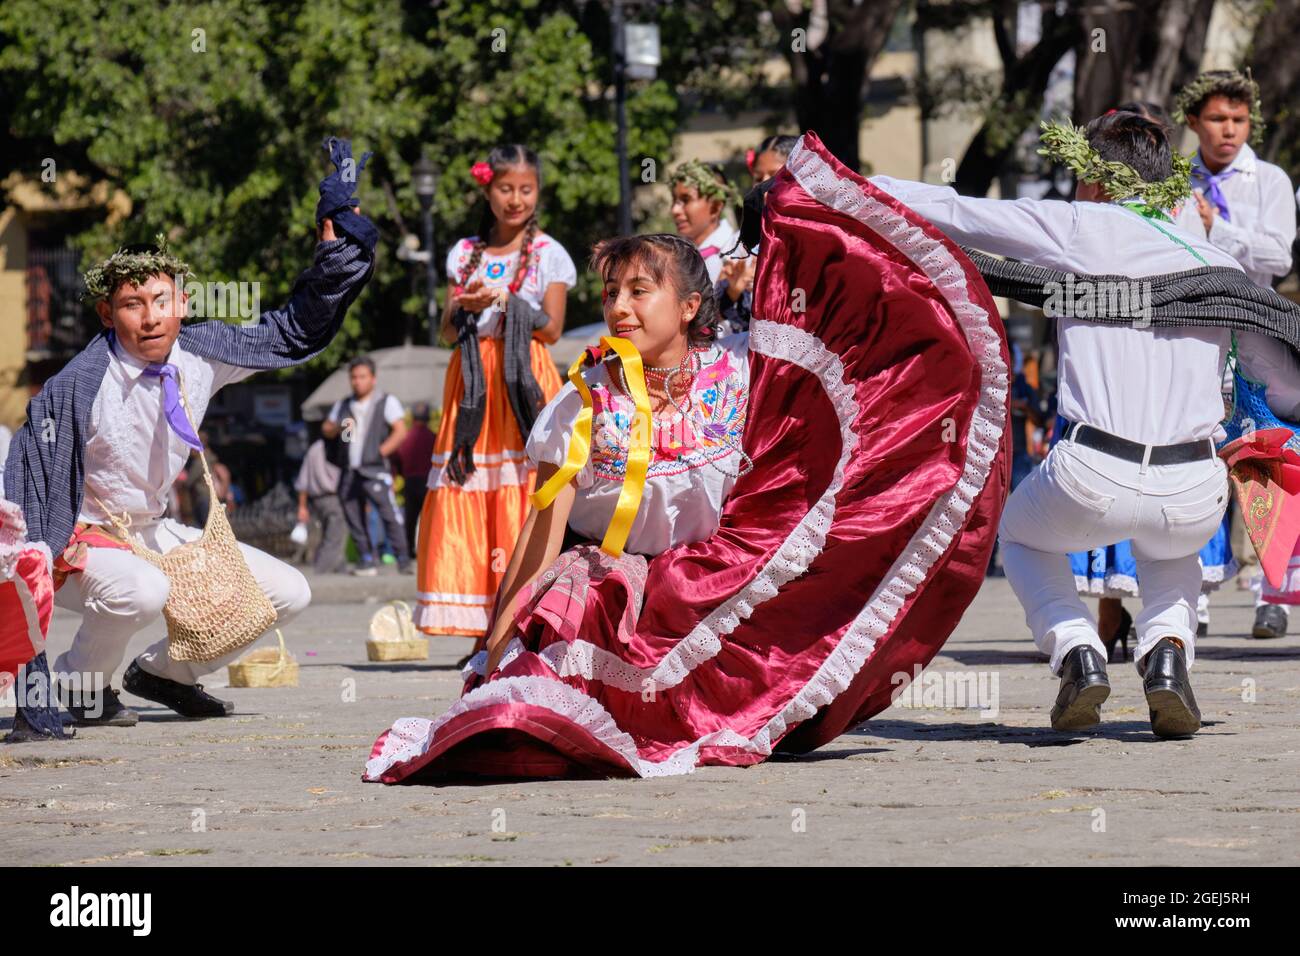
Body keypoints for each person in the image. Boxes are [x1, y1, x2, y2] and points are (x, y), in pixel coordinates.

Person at [364, 132, 1012, 782]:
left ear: (690, 306)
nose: (618, 306)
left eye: (639, 291)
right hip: (626, 586)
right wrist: (491, 658)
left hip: (718, 580)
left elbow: (845, 364)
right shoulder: (585, 403)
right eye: (611, 291)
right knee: (578, 593)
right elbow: (539, 537)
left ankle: (761, 702)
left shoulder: (739, 375)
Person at [870, 111, 1300, 738]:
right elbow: (1283, 384)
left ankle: (1077, 650)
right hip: (1194, 484)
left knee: (1020, 538)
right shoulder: (1220, 268)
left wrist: (838, 186)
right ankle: (1168, 654)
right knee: (1172, 545)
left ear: (1095, 180)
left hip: (1089, 474)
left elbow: (957, 212)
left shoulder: (1080, 225)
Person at [3, 137, 376, 739]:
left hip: (156, 530)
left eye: (160, 300)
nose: (149, 316)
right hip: (84, 543)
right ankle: (80, 688)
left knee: (288, 591)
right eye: (131, 304)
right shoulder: (78, 385)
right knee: (142, 590)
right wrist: (51, 556)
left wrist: (337, 254)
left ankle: (164, 674)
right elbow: (28, 485)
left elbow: (289, 332)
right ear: (108, 314)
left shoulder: (203, 350)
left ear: (182, 302)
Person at [415, 144, 575, 638]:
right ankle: (484, 624)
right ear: (487, 190)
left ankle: (523, 617)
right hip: (472, 383)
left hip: (524, 378)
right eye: (506, 188)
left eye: (526, 189)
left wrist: (509, 300)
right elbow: (445, 331)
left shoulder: (549, 253)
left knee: (525, 485)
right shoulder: (465, 254)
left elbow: (551, 329)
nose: (516, 199)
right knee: (472, 487)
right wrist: (463, 303)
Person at [1173, 70, 1298, 639]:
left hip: (1257, 332)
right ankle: (1191, 596)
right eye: (1218, 119)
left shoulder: (1268, 179)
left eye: (1239, 120)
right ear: (1195, 122)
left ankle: (1271, 593)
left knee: (1266, 458)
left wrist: (1215, 228)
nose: (1229, 130)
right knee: (1196, 454)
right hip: (1197, 331)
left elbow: (1277, 255)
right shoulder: (1174, 179)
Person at [323, 356, 410, 576]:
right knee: (353, 516)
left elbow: (400, 430)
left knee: (389, 514)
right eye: (353, 377)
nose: (357, 382)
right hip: (349, 469)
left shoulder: (385, 401)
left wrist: (380, 452)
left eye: (362, 377)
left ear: (373, 378)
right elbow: (329, 429)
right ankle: (366, 558)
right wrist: (336, 429)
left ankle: (403, 560)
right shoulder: (344, 405)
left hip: (375, 470)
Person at [669, 159, 742, 284]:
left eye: (686, 200)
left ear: (715, 207)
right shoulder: (678, 255)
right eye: (674, 200)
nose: (674, 210)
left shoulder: (736, 254)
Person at [295, 428, 346, 574]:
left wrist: (302, 506)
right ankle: (321, 570)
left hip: (317, 499)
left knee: (329, 534)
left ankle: (340, 568)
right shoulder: (336, 449)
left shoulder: (314, 449)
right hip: (333, 497)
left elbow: (302, 481)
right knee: (335, 536)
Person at [396, 402, 435, 556]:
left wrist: (400, 472)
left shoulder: (405, 437)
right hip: (428, 481)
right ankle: (429, 549)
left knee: (410, 519)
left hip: (410, 480)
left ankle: (408, 550)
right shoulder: (433, 437)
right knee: (429, 518)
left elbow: (397, 458)